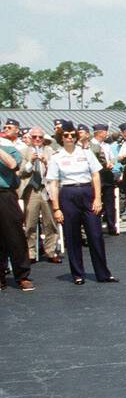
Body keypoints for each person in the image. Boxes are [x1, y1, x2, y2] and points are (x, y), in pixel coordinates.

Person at [47, 124, 117, 286]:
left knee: (95, 234)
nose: (70, 137)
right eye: (66, 135)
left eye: (72, 134)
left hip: (87, 192)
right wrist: (56, 208)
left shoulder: (86, 153)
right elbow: (54, 183)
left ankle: (103, 273)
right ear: (61, 138)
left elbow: (95, 175)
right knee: (72, 236)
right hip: (68, 194)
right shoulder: (57, 157)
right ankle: (78, 274)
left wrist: (97, 198)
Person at [0, 119, 35, 291]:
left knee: (14, 235)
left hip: (4, 195)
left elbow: (13, 165)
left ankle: (22, 276)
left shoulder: (8, 147)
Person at [19, 127, 60, 264]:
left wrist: (46, 163)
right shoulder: (24, 152)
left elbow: (57, 171)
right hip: (32, 189)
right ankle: (30, 252)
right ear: (30, 138)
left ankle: (51, 251)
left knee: (50, 222)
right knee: (30, 222)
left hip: (46, 188)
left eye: (40, 137)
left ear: (44, 139)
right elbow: (21, 172)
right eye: (34, 137)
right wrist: (30, 162)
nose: (37, 139)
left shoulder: (50, 151)